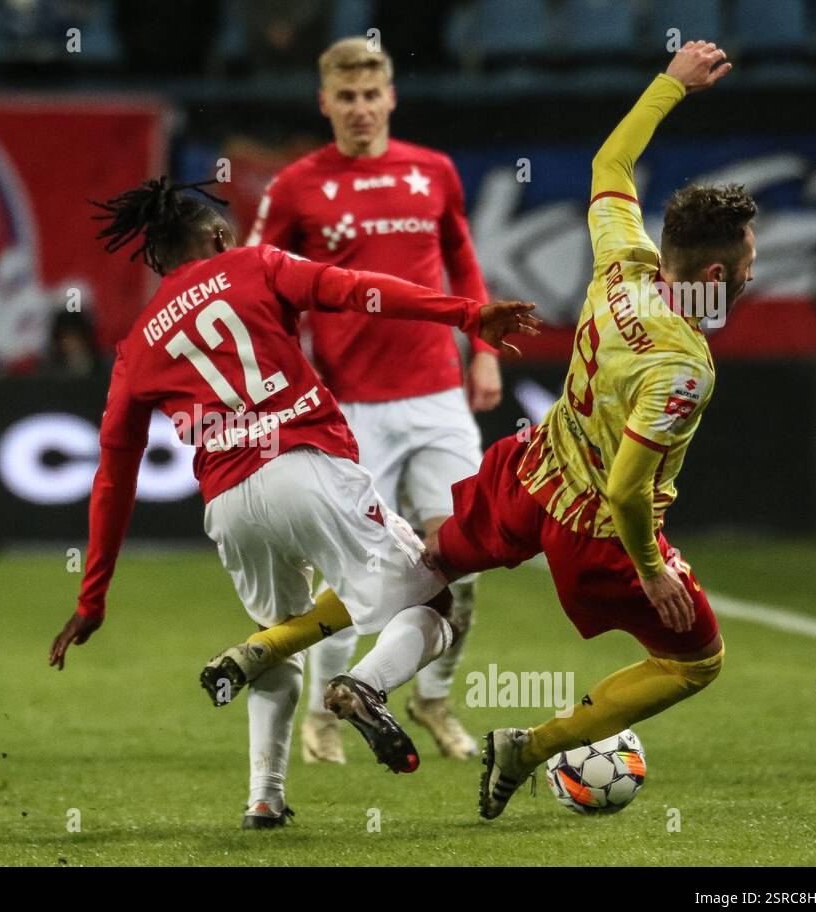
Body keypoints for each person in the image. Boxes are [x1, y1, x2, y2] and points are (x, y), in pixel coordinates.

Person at [210, 40, 749, 821]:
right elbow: (629, 488)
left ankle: (282, 646)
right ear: (712, 278)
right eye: (746, 266)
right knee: (695, 660)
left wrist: (670, 84)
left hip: (526, 470)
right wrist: (650, 569)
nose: (752, 275)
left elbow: (611, 162)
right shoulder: (685, 366)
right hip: (594, 528)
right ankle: (528, 746)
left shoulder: (622, 263)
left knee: (420, 564)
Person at [46, 176, 538, 827]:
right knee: (439, 601)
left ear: (158, 262)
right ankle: (365, 686)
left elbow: (113, 476)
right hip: (305, 466)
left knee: (275, 644)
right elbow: (358, 291)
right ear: (219, 236)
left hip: (229, 505)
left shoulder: (137, 347)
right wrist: (466, 315)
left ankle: (264, 798)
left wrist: (92, 598)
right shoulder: (254, 263)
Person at [247, 35, 499, 762]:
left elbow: (463, 262)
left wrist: (481, 348)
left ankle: (433, 700)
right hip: (350, 409)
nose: (360, 110)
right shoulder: (296, 186)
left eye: (371, 95)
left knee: (467, 563)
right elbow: (261, 288)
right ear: (325, 103)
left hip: (437, 396)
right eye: (346, 98)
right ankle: (326, 714)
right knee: (355, 578)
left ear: (391, 97)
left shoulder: (433, 172)